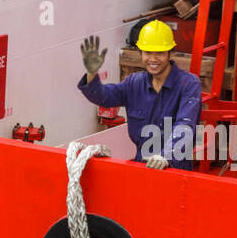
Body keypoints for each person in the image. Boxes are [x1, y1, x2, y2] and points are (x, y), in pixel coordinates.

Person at [76, 21, 202, 170]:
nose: (153, 59)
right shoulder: (134, 83)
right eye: (148, 53)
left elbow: (184, 125)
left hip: (175, 169)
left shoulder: (189, 84)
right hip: (141, 166)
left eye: (160, 53)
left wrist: (166, 156)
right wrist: (91, 73)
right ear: (141, 53)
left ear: (171, 53)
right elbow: (104, 97)